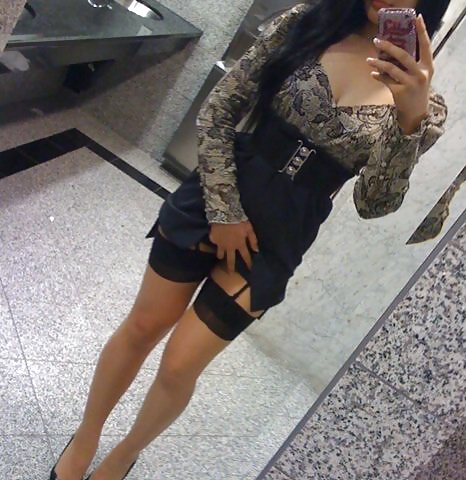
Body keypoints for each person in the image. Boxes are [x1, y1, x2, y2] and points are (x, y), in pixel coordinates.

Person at [50, 0, 449, 479]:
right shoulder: (306, 22)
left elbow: (374, 203)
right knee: (143, 326)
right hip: (218, 192)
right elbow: (219, 110)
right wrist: (225, 211)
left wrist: (409, 121)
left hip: (282, 235)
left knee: (180, 366)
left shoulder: (425, 105)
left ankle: (123, 455)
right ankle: (86, 436)